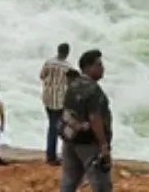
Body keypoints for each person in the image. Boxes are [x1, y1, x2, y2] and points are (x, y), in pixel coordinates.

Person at [59, 49, 113, 192]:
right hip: (90, 143)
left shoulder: (73, 86)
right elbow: (95, 118)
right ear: (89, 67)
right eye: (99, 65)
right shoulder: (93, 90)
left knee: (69, 182)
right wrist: (103, 145)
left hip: (70, 140)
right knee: (100, 184)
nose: (103, 68)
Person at [40, 42, 71, 165]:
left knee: (52, 126)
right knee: (59, 128)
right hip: (60, 100)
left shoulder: (48, 62)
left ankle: (51, 154)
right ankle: (54, 156)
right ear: (67, 53)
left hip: (47, 98)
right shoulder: (68, 67)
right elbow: (70, 84)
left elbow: (42, 76)